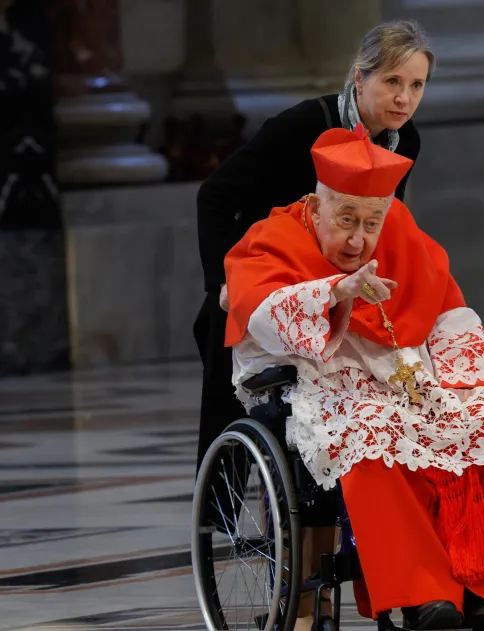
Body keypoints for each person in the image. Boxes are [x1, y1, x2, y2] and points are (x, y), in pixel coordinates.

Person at [223, 125, 484, 630]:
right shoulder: (273, 238)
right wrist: (335, 291)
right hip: (319, 383)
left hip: (403, 381)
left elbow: (445, 306)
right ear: (316, 206)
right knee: (375, 435)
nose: (359, 238)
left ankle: (478, 586)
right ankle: (421, 596)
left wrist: (466, 378)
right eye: (346, 219)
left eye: (371, 223)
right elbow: (260, 312)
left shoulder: (399, 231)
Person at [194, 19, 432, 473]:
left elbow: (383, 226)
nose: (405, 98)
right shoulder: (302, 125)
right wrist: (227, 285)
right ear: (359, 78)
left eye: (417, 85)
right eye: (392, 82)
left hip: (334, 287)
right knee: (228, 417)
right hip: (265, 281)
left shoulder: (407, 140)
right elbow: (216, 196)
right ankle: (219, 522)